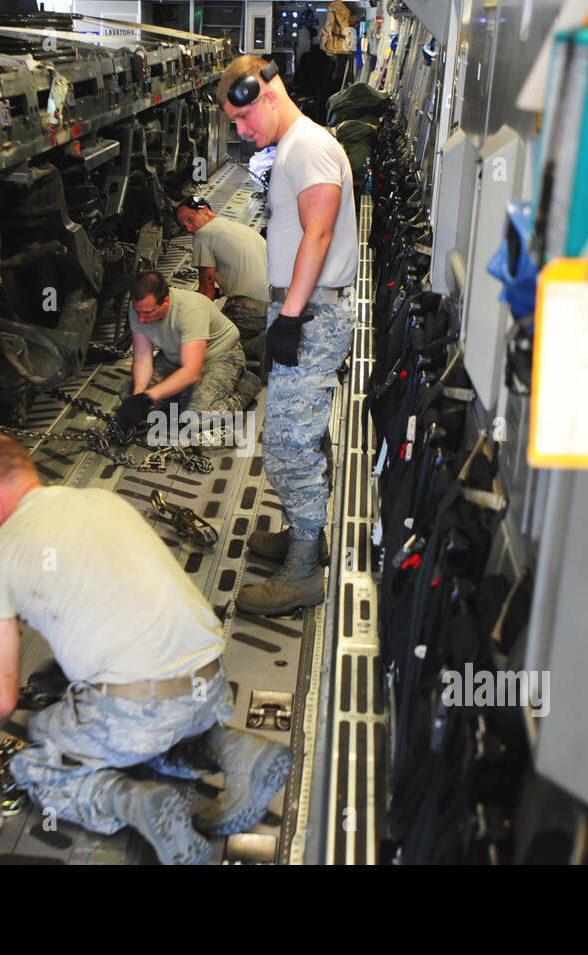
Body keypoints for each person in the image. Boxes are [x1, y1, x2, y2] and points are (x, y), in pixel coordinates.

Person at [0, 434, 294, 864]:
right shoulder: (100, 500)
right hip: (209, 680)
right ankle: (237, 749)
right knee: (158, 732)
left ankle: (138, 805)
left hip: (141, 709)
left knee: (37, 762)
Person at [219, 55, 358, 615]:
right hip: (304, 310)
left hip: (313, 315)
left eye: (242, 119)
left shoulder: (311, 147)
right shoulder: (296, 146)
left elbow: (318, 234)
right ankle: (306, 536)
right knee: (296, 436)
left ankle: (303, 572)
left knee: (288, 447)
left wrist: (293, 317)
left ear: (265, 95)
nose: (241, 131)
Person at [114, 270, 260, 436]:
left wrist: (149, 397)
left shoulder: (190, 310)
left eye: (148, 313)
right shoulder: (141, 308)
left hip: (218, 356)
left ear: (166, 302)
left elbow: (191, 372)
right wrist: (138, 397)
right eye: (138, 311)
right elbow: (142, 358)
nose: (142, 319)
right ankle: (184, 394)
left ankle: (246, 388)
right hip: (175, 358)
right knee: (128, 395)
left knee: (195, 418)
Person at [175, 196, 271, 370]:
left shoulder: (203, 235)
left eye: (190, 219)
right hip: (275, 309)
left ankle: (259, 344)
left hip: (246, 310)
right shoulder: (240, 228)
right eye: (184, 226)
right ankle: (260, 339)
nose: (189, 228)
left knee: (210, 348)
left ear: (204, 210)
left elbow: (206, 291)